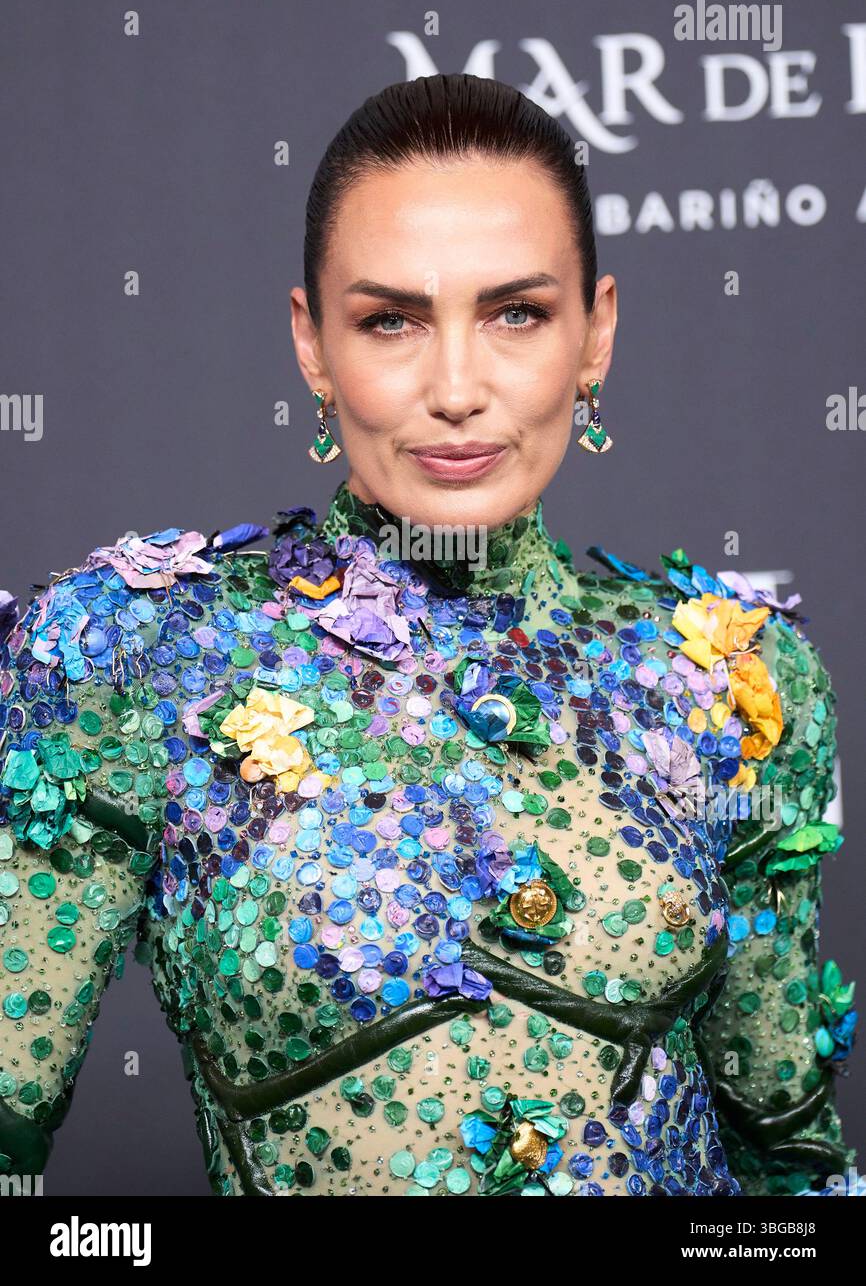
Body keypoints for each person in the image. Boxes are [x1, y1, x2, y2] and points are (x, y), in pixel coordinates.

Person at [0, 74, 857, 1197]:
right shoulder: (129, 656)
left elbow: (788, 1163)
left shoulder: (731, 680)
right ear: (311, 345)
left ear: (594, 333)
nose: (455, 388)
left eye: (516, 313)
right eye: (390, 320)